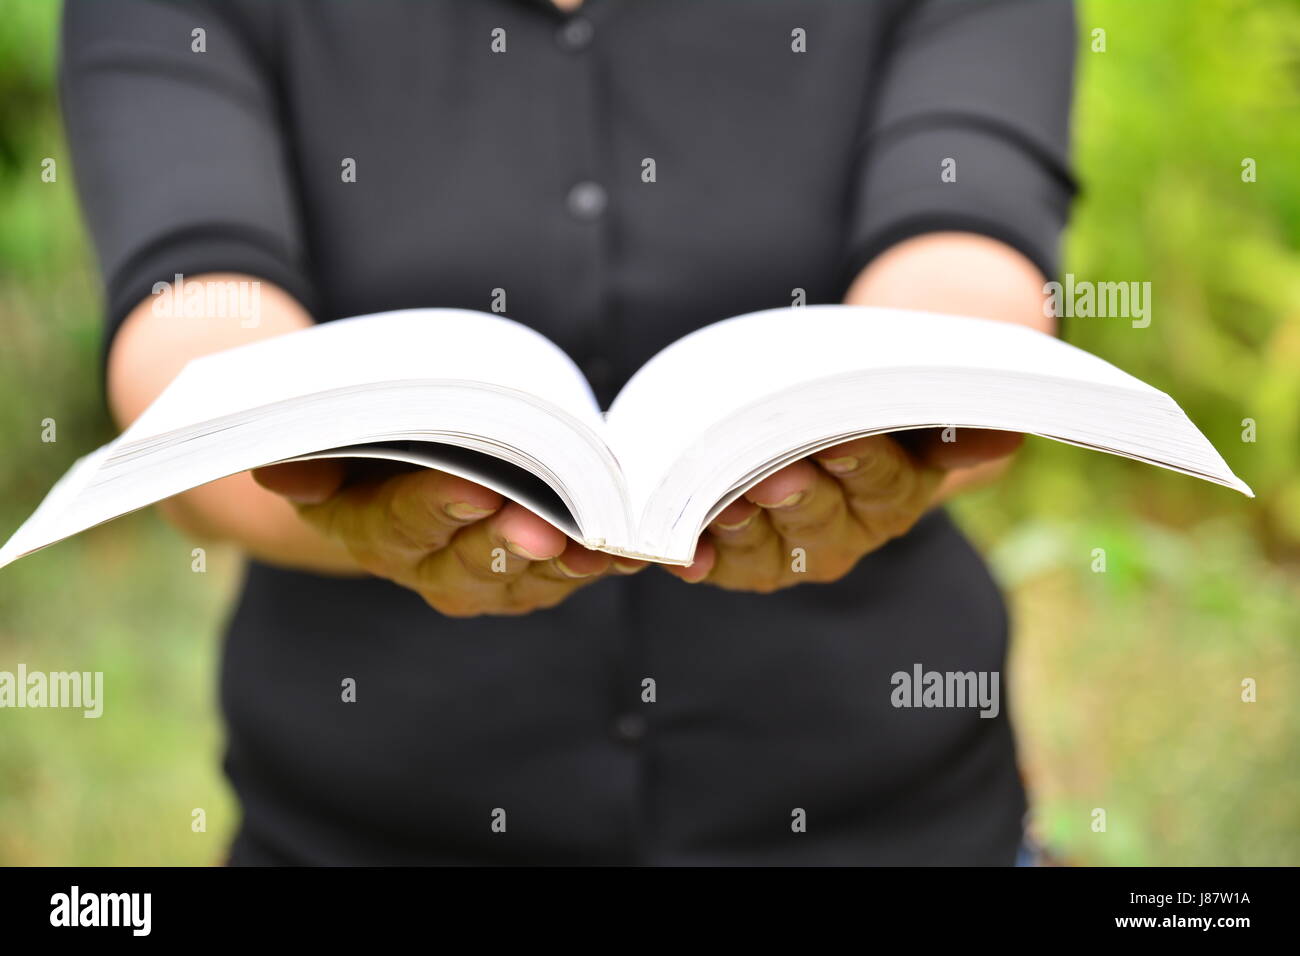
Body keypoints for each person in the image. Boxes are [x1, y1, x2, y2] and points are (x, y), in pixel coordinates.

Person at [60, 0, 1076, 864]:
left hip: (895, 823)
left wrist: (891, 419)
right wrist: (346, 498)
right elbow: (191, 315)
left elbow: (967, 240)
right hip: (368, 832)